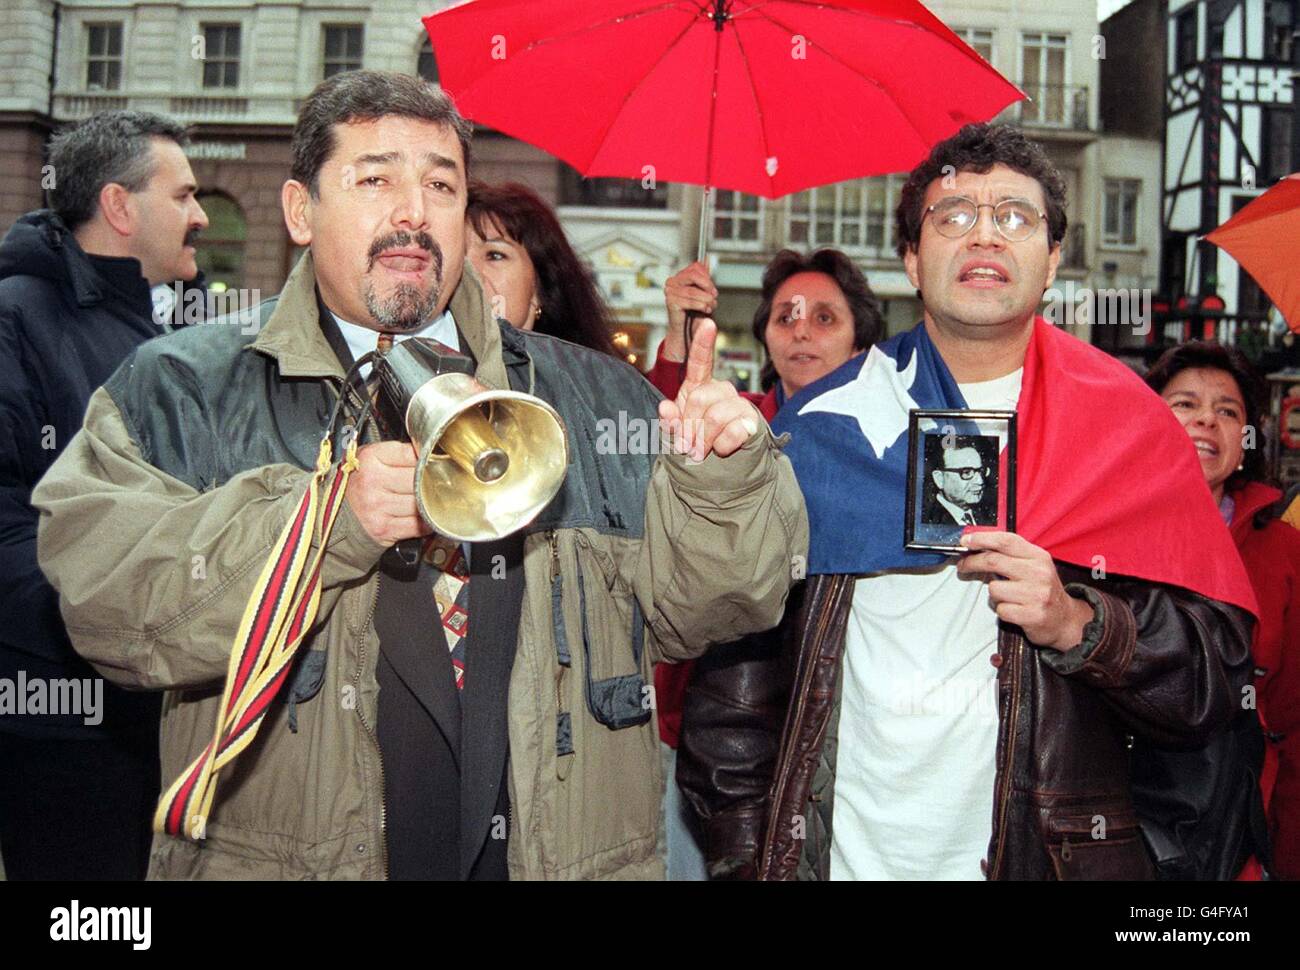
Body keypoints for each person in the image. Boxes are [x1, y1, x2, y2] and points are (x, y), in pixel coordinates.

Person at [30, 71, 806, 881]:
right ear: (300, 211)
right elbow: (103, 601)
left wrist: (725, 480)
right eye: (375, 179)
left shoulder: (597, 394)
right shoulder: (180, 387)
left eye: (441, 183)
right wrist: (319, 527)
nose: (413, 211)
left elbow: (714, 609)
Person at [681, 122, 1257, 880]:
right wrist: (748, 859)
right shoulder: (821, 425)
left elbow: (1213, 686)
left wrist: (1079, 623)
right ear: (913, 260)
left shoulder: (1128, 424)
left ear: (1053, 259)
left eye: (1014, 217)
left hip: (1047, 858)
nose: (984, 234)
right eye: (953, 216)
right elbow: (734, 686)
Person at [0, 110, 208, 880]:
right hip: (64, 729)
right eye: (183, 196)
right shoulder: (16, 318)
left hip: (145, 713)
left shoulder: (155, 329)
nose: (201, 216)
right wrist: (112, 616)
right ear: (121, 208)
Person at [649, 250, 883, 878]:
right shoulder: (738, 421)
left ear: (861, 341)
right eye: (786, 316)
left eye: (825, 318)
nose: (802, 331)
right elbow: (659, 441)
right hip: (706, 735)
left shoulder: (889, 446)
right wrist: (680, 335)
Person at [1146, 340, 1300, 880]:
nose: (1206, 418)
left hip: (1238, 847)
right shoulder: (1100, 538)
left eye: (1227, 411)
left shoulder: (1283, 550)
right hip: (1115, 837)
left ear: (1245, 440)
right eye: (1183, 404)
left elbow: (1291, 719)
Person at [466, 180, 618, 357]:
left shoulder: (588, 379)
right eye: (458, 256)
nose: (470, 271)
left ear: (539, 288)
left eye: (495, 255)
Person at [925, 439, 990, 528]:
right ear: (939, 479)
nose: (980, 481)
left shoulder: (987, 515)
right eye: (966, 472)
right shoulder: (928, 521)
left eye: (981, 471)